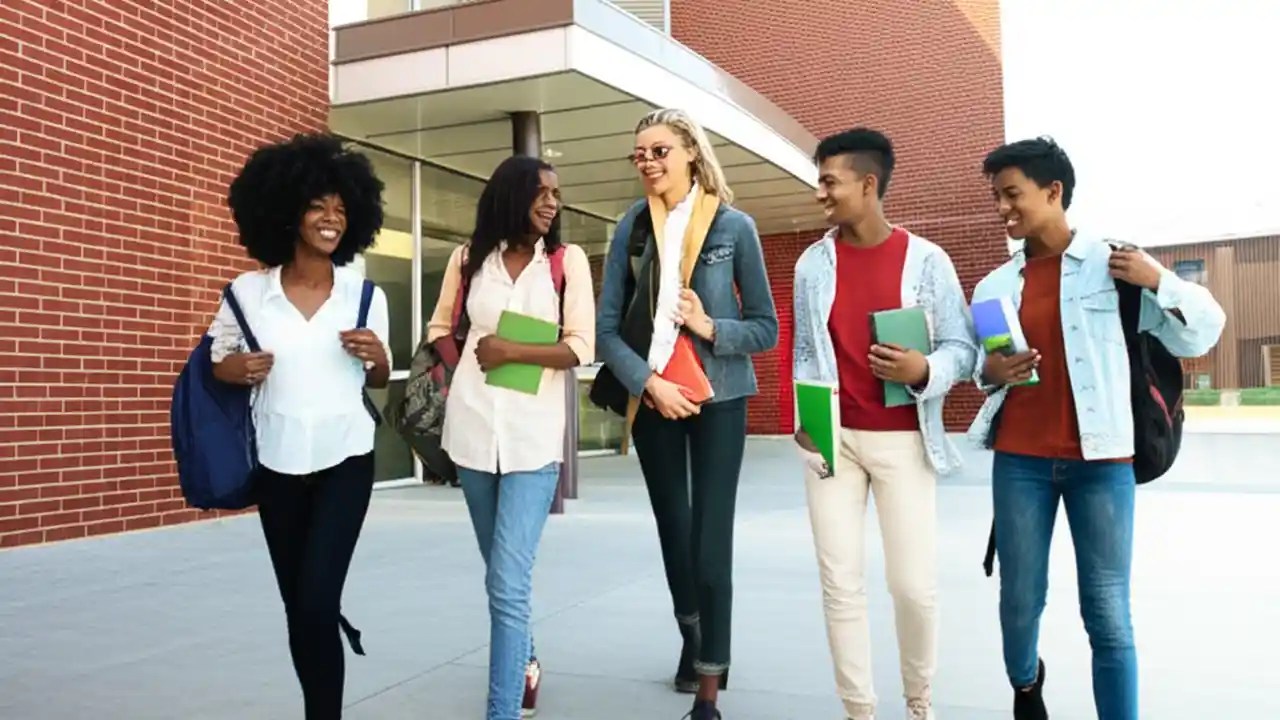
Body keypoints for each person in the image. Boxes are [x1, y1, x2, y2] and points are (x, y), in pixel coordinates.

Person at [969, 137, 1225, 720]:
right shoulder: (993, 288)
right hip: (1020, 462)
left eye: (1013, 195)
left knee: (1108, 611)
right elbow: (985, 372)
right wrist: (991, 370)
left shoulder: (1117, 267)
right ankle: (1026, 684)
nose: (1003, 209)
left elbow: (1203, 332)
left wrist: (1160, 279)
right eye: (997, 198)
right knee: (1019, 603)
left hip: (1102, 463)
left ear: (1053, 191)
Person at [596, 108, 778, 720]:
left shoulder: (734, 227)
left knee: (709, 541)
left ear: (692, 154)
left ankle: (708, 687)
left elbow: (764, 328)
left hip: (719, 398)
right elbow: (604, 333)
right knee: (675, 532)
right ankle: (692, 635)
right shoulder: (632, 231)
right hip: (654, 401)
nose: (647, 162)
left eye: (659, 150)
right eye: (639, 153)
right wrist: (648, 385)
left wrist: (707, 325)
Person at [791, 128, 977, 720]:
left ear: (868, 185)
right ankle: (859, 710)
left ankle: (918, 703)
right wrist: (805, 416)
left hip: (904, 440)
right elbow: (803, 351)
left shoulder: (927, 260)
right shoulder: (810, 264)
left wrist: (926, 368)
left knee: (913, 588)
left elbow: (963, 349)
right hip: (832, 443)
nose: (821, 192)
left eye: (830, 181)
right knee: (839, 583)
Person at [211, 133, 391, 720]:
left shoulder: (365, 296)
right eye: (318, 206)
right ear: (288, 210)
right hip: (277, 468)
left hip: (345, 462)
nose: (331, 219)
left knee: (316, 602)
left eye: (341, 209)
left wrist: (378, 355)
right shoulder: (247, 293)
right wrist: (235, 368)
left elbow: (381, 378)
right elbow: (219, 361)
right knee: (301, 610)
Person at [424, 154, 595, 720]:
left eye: (556, 194)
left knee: (506, 580)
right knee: (502, 577)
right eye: (541, 192)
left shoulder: (566, 264)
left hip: (532, 441)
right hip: (472, 435)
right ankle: (527, 658)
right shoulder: (469, 260)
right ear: (510, 195)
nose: (552, 203)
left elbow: (580, 347)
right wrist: (466, 372)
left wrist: (510, 351)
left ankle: (502, 711)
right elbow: (440, 329)